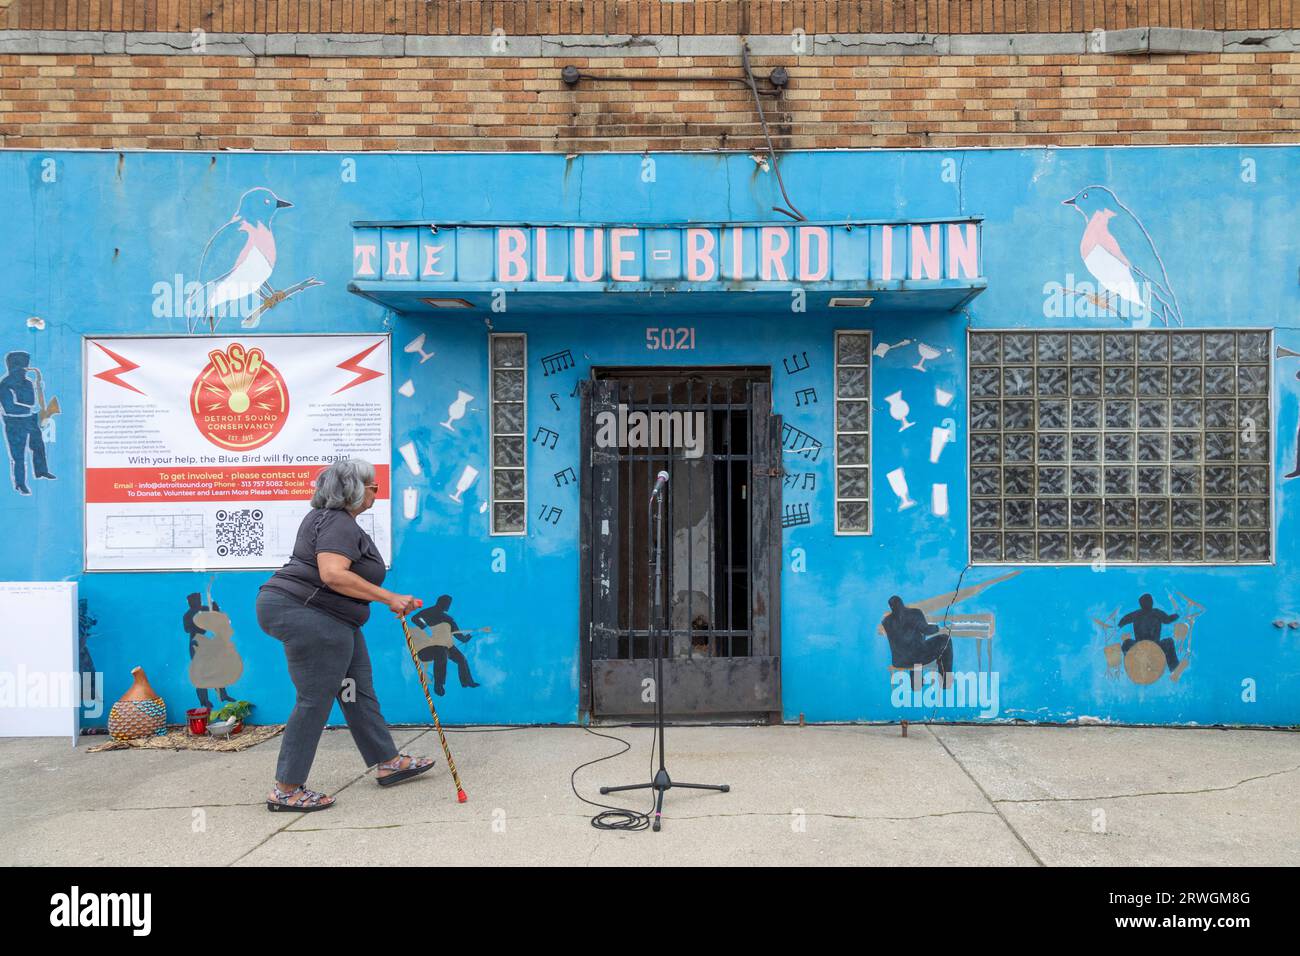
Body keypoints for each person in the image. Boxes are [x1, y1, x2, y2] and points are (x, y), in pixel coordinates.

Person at [256, 458, 434, 812]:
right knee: (315, 698)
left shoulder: (335, 521)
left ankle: (387, 761)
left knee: (356, 691)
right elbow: (333, 574)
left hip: (332, 620)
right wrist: (389, 598)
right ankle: (287, 789)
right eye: (374, 487)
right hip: (308, 614)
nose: (377, 494)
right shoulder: (337, 522)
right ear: (355, 490)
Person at [1, 351, 55, 495]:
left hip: (29, 418)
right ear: (14, 366)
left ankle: (41, 471)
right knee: (18, 455)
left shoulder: (28, 383)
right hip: (13, 421)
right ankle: (20, 484)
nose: (26, 368)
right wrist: (31, 406)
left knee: (38, 446)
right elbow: (9, 406)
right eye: (24, 365)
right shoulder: (4, 384)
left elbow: (31, 401)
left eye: (26, 365)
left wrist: (38, 388)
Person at [410, 595, 481, 695]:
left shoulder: (448, 619)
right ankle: (438, 685)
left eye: (449, 604)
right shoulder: (429, 612)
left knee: (461, 659)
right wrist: (425, 626)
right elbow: (414, 618)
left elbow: (458, 634)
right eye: (447, 604)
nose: (448, 606)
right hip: (430, 647)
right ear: (440, 603)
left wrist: (465, 639)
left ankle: (467, 682)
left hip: (447, 646)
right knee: (442, 654)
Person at [881, 595, 953, 684]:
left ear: (891, 607)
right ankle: (946, 682)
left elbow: (902, 635)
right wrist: (938, 627)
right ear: (902, 603)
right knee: (945, 639)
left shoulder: (886, 621)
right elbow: (926, 630)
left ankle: (916, 684)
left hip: (899, 661)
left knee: (914, 643)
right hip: (916, 657)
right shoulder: (915, 613)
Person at [1119, 593, 1188, 682]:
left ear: (1140, 604)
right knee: (1169, 642)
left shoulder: (1135, 614)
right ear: (1152, 603)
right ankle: (1174, 668)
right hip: (1155, 646)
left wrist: (1117, 626)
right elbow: (1168, 620)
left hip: (1139, 647)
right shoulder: (1157, 613)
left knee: (1126, 643)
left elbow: (1122, 621)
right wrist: (1178, 615)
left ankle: (1130, 665)